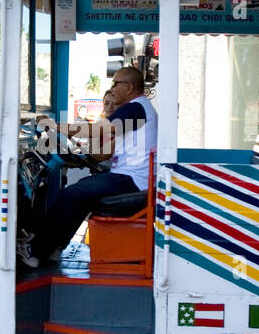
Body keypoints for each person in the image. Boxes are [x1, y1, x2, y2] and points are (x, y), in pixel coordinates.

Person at [18, 66, 156, 267]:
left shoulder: (136, 106)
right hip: (132, 178)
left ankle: (35, 250)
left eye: (115, 83)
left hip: (133, 180)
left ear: (129, 87)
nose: (112, 88)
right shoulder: (139, 109)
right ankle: (53, 249)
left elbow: (97, 130)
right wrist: (77, 155)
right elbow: (106, 150)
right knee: (81, 193)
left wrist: (54, 127)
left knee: (74, 193)